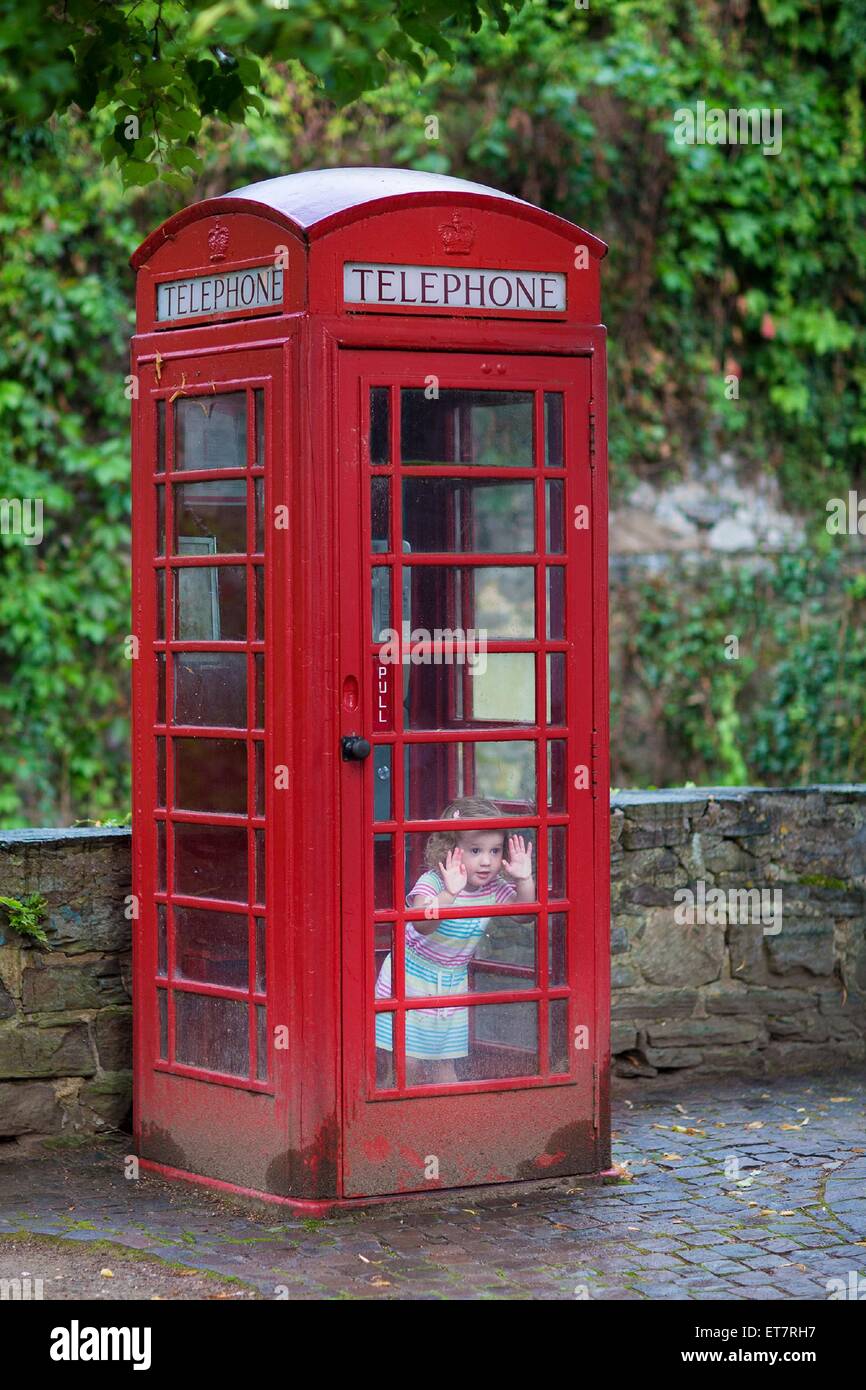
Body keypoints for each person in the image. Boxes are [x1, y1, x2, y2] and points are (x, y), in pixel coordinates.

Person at [375, 797, 535, 1085]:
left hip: (452, 986)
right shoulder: (433, 882)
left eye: (495, 850)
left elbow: (524, 915)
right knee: (405, 1065)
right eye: (475, 850)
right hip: (409, 980)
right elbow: (422, 923)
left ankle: (452, 1114)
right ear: (450, 850)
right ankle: (395, 1112)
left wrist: (524, 879)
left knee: (444, 1067)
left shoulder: (494, 887)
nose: (486, 861)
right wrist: (449, 894)